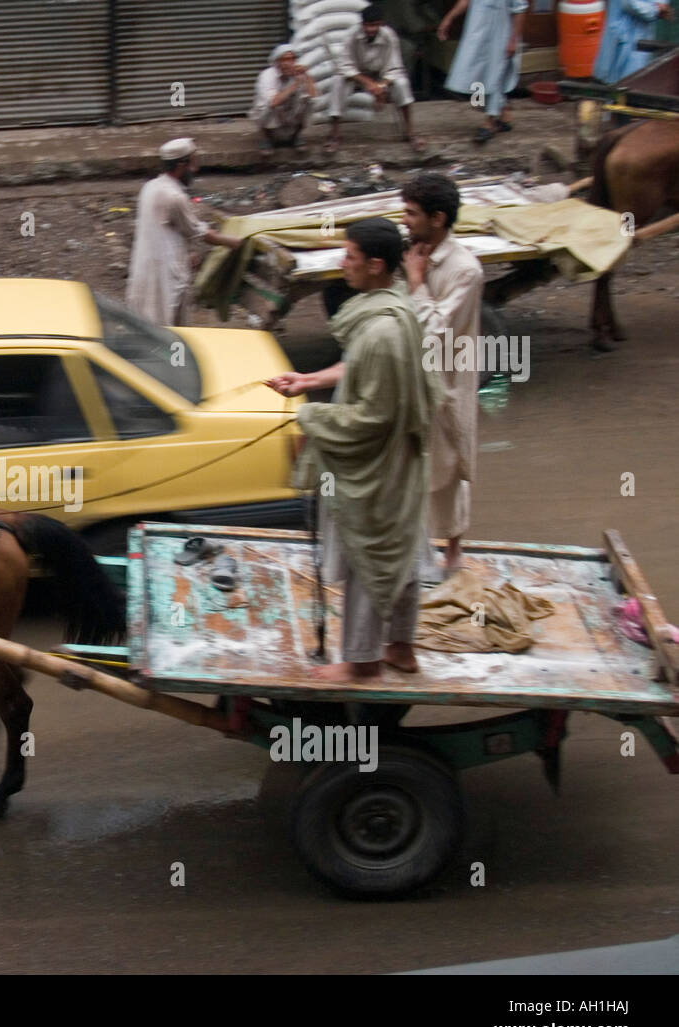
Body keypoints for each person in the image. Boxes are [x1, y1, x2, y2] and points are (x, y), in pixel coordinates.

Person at [266, 219, 439, 681]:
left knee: (371, 554)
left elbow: (372, 416)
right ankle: (400, 648)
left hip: (376, 463)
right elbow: (361, 367)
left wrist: (311, 416)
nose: (343, 265)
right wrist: (310, 381)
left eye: (350, 257)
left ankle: (362, 662)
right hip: (402, 460)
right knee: (402, 547)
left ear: (376, 265)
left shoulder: (384, 330)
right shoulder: (392, 309)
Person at [401, 173, 483, 579]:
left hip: (447, 380)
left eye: (412, 213)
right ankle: (415, 550)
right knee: (411, 464)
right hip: (412, 378)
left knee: (448, 465)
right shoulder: (415, 252)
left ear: (437, 218)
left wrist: (416, 282)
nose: (405, 220)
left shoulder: (465, 270)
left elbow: (435, 330)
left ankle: (453, 556)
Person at [125, 138, 243, 326]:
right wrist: (232, 242)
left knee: (148, 324)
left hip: (146, 267)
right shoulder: (175, 197)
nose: (195, 170)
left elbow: (170, 228)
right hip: (166, 273)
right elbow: (198, 231)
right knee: (170, 325)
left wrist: (189, 250)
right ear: (181, 166)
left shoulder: (151, 187)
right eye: (193, 164)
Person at [327, 5, 425, 154]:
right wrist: (369, 83)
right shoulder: (352, 35)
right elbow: (344, 66)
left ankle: (410, 133)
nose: (371, 29)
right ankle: (334, 135)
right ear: (362, 24)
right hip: (357, 76)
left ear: (381, 24)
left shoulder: (389, 36)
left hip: (380, 75)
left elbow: (395, 67)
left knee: (402, 83)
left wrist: (381, 86)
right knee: (337, 82)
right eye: (367, 25)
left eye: (374, 25)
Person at [438, 0, 527, 144]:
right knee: (474, 74)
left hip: (500, 36)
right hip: (477, 32)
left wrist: (513, 40)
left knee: (495, 75)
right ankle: (504, 114)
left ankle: (489, 122)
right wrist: (449, 17)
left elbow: (520, 10)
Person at [251, 44, 319, 158]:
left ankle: (296, 136)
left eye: (292, 59)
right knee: (266, 105)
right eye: (285, 60)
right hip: (271, 116)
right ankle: (267, 139)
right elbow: (273, 102)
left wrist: (306, 76)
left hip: (289, 115)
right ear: (277, 62)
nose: (289, 63)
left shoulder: (298, 74)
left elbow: (314, 96)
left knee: (309, 102)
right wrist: (294, 85)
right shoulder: (267, 75)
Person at [594, 1, 673, 84]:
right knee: (624, 82)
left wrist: (661, 6)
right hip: (622, 33)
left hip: (641, 34)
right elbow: (628, 4)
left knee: (635, 81)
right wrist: (656, 9)